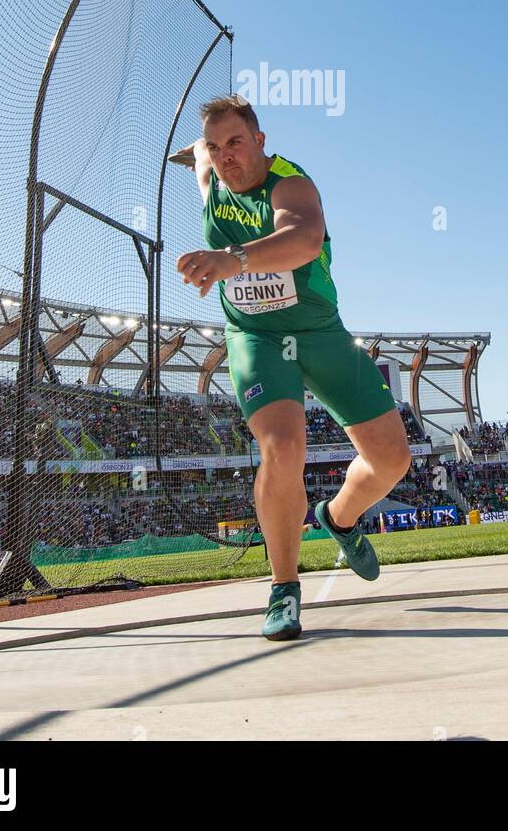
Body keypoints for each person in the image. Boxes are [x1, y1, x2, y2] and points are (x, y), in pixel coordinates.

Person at [175, 95, 411, 641]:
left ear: (260, 140)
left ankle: (340, 518)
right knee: (282, 446)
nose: (225, 156)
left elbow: (303, 240)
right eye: (215, 147)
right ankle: (284, 586)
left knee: (392, 460)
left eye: (236, 142)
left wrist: (229, 261)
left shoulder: (291, 184)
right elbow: (200, 155)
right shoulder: (210, 172)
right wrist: (195, 151)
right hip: (256, 335)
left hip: (319, 331)